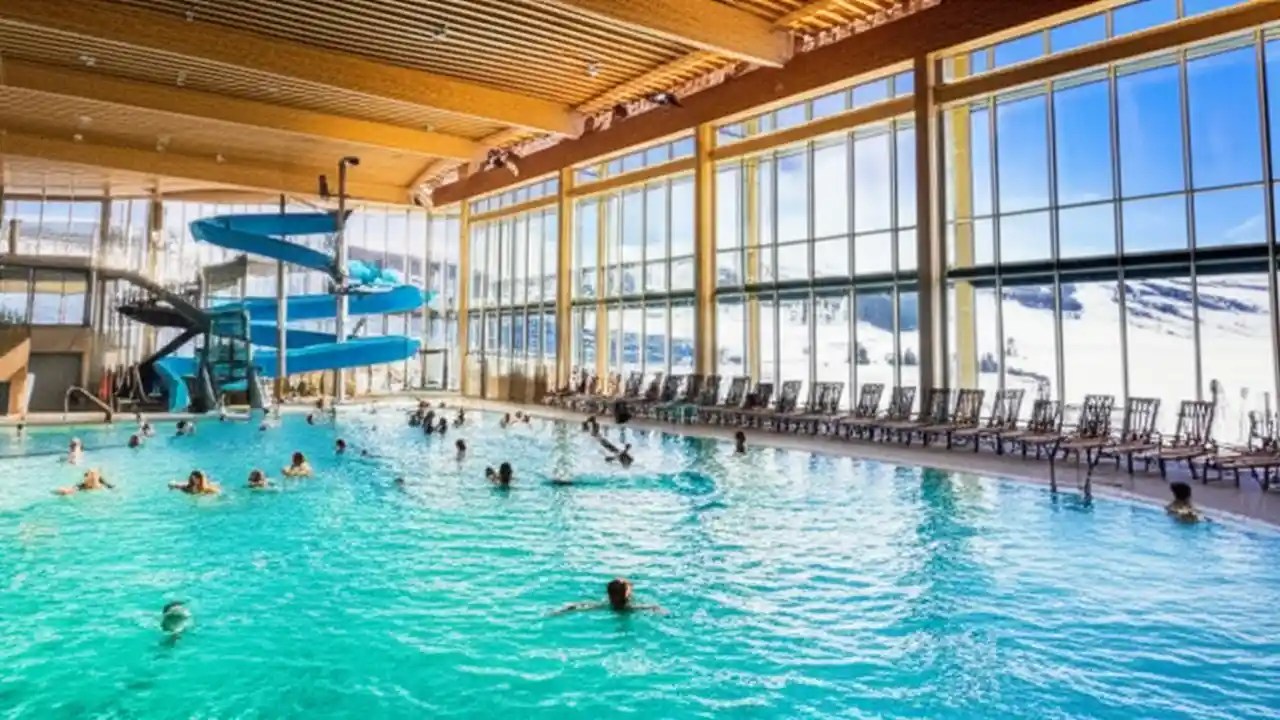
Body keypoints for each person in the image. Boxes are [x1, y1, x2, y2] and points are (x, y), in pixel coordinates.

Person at [552, 578, 664, 615]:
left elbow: (579, 606)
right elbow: (652, 607)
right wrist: (659, 609)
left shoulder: (605, 605)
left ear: (609, 594)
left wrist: (563, 609)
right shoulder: (630, 608)